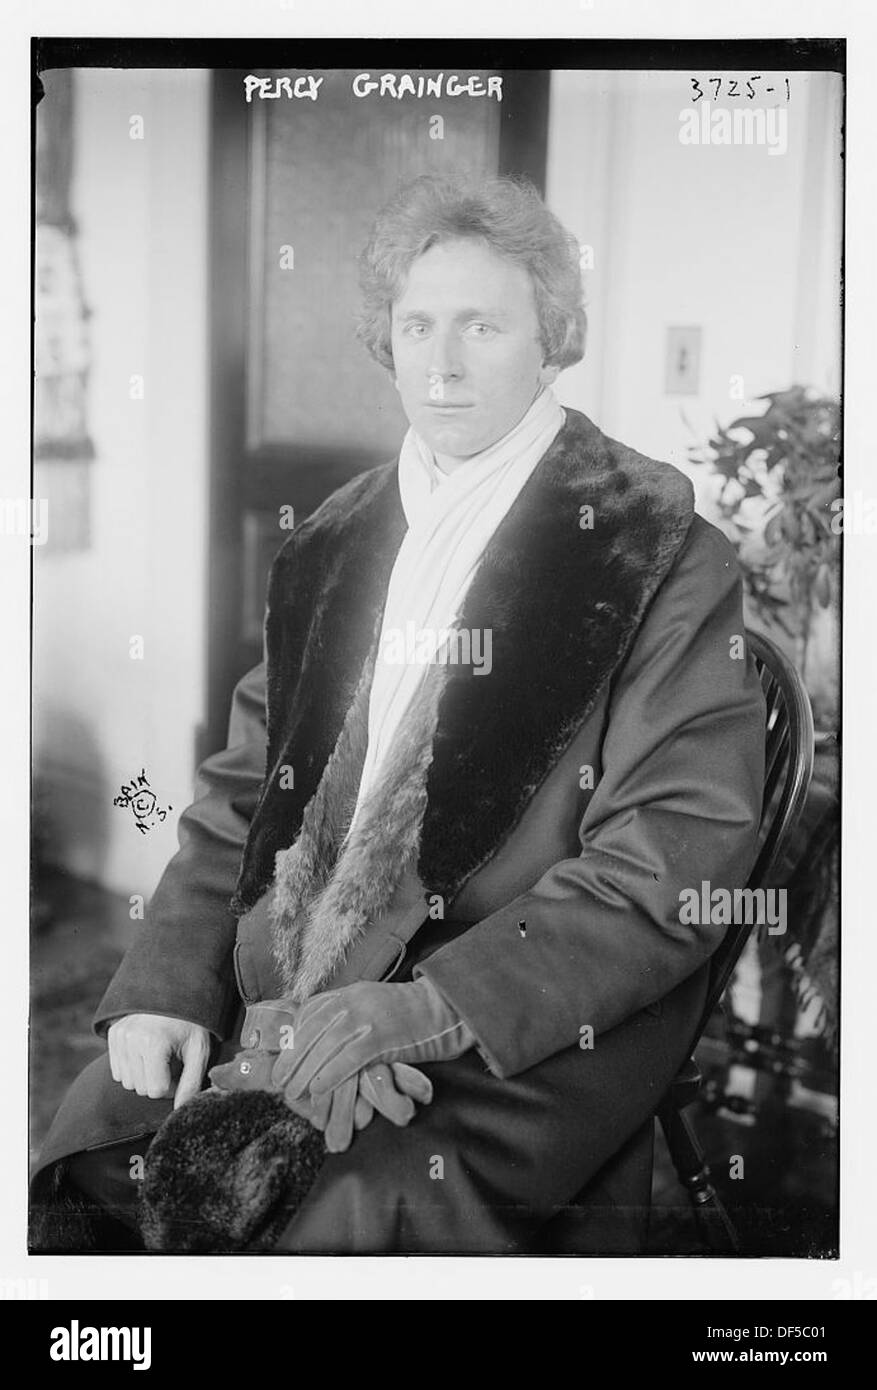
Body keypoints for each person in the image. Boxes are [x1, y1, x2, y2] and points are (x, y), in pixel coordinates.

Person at [30, 173, 765, 1254]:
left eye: (482, 324)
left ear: (552, 340)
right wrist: (168, 980)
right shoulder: (338, 536)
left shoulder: (656, 549)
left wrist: (425, 1009)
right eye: (417, 324)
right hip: (295, 976)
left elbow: (672, 859)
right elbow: (247, 788)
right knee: (92, 1142)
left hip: (521, 1006)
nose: (443, 360)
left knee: (340, 1210)